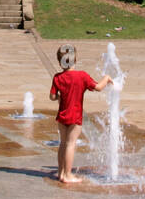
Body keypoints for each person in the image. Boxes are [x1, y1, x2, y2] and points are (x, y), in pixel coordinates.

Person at [48, 44, 113, 184]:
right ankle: (68, 175)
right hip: (75, 116)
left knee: (63, 144)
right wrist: (106, 78)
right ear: (75, 59)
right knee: (71, 144)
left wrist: (59, 98)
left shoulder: (57, 77)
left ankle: (61, 173)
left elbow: (52, 97)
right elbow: (98, 88)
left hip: (62, 116)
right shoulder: (82, 76)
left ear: (60, 61)